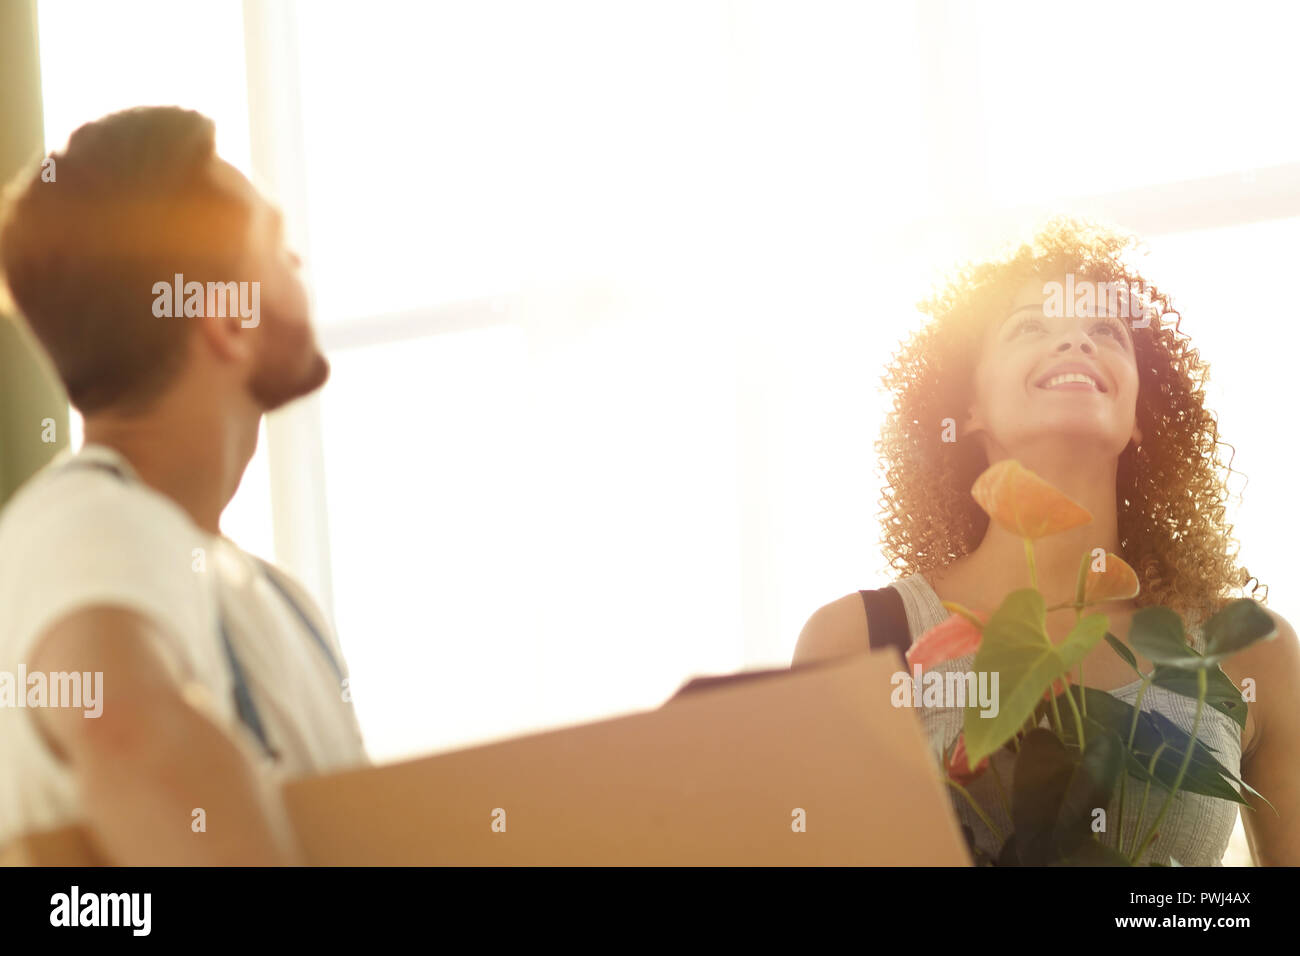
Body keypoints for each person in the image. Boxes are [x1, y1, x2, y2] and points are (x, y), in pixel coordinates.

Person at [792, 217, 1300, 866]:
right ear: (967, 407)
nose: (1076, 342)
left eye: (1106, 332)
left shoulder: (1251, 653)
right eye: (1030, 326)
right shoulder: (857, 640)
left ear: (1139, 416)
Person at [0, 106, 367, 864]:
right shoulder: (86, 522)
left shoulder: (275, 599)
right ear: (226, 323)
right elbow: (125, 732)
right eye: (277, 247)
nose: (299, 263)